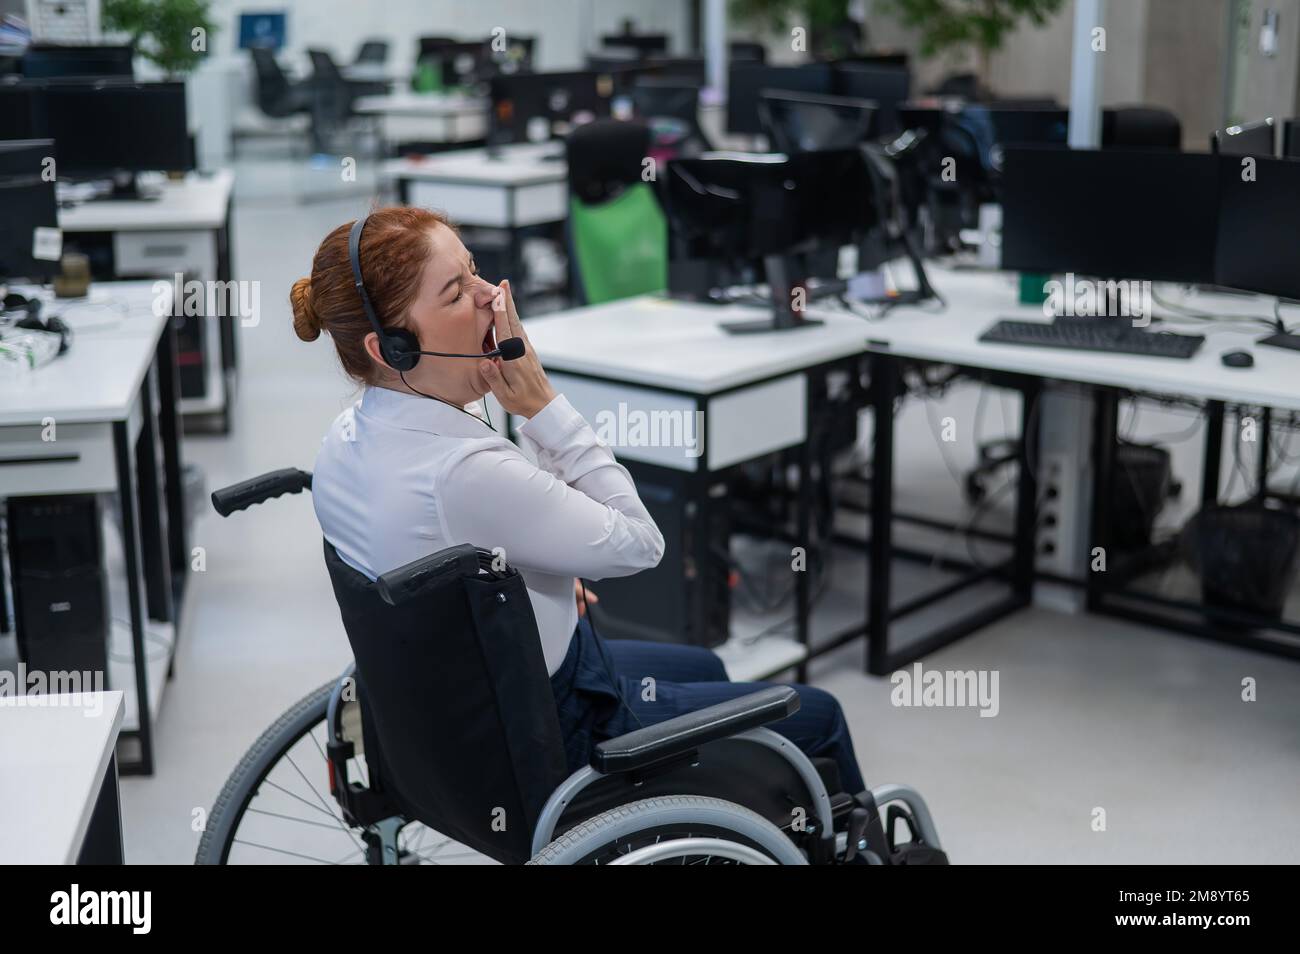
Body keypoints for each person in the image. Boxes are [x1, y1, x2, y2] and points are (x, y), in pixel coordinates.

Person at [292, 205, 869, 795]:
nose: (493, 296)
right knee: (817, 714)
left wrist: (521, 592)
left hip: (454, 711)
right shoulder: (463, 471)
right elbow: (642, 544)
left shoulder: (342, 441)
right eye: (456, 291)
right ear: (392, 348)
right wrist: (542, 405)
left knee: (706, 667)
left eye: (475, 271)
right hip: (551, 726)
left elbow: (433, 551)